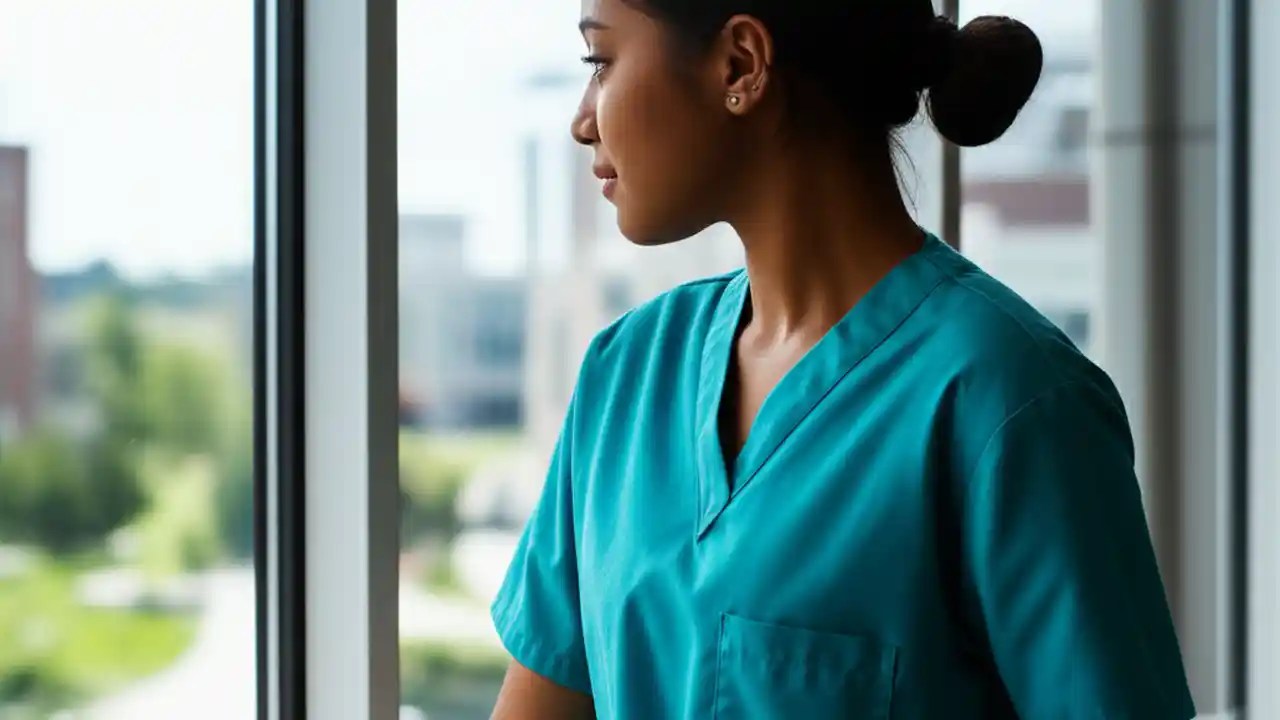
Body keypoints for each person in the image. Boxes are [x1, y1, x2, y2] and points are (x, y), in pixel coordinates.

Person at [490, 0, 1196, 718]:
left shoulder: (1010, 403)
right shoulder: (627, 376)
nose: (583, 120)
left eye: (601, 63)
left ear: (741, 64)